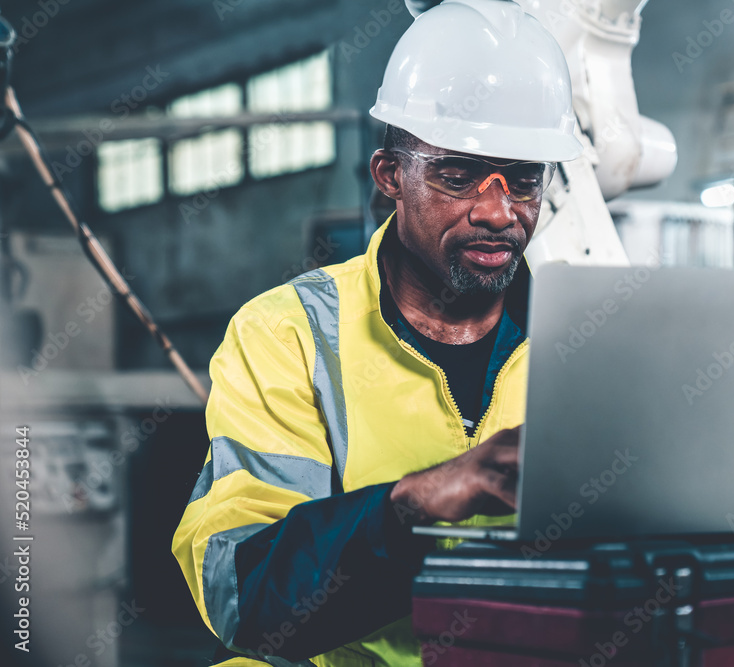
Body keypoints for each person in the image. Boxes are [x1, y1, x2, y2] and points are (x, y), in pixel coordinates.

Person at [171, 0, 583, 664]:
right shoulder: (288, 335)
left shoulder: (583, 339)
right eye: (458, 175)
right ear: (392, 176)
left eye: (525, 181)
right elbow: (243, 594)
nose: (498, 210)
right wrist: (411, 502)